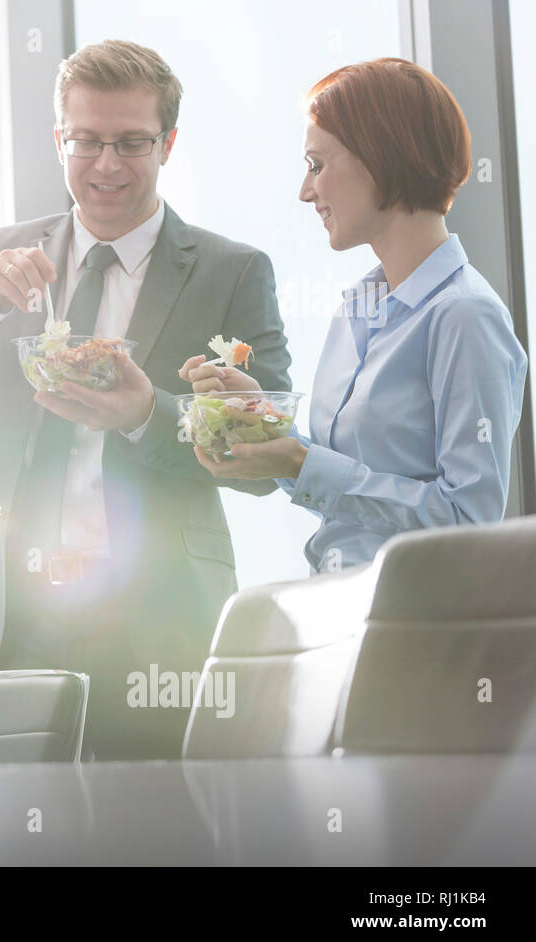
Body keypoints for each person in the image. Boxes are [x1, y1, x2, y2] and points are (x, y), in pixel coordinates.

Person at [0, 40, 293, 760]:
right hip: (14, 621)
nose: (107, 165)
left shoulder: (231, 272)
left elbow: (267, 460)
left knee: (155, 834)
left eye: (131, 142)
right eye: (86, 141)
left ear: (168, 143)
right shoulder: (6, 254)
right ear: (59, 140)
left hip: (160, 625)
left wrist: (146, 415)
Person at [181, 58, 528, 573]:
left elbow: (469, 522)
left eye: (316, 165)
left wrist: (302, 463)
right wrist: (262, 422)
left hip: (412, 628)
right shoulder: (357, 311)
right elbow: (344, 476)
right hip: (341, 608)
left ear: (379, 156)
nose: (305, 191)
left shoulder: (464, 317)